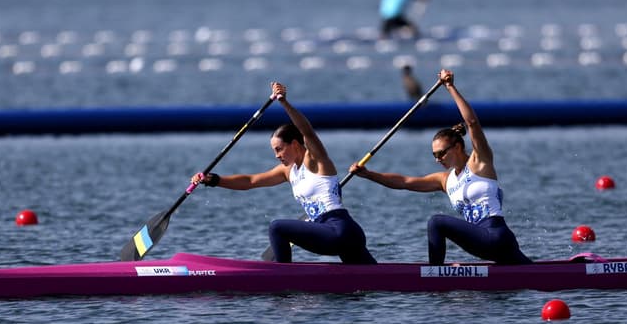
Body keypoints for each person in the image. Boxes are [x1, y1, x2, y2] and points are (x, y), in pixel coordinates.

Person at [349, 69, 531, 266]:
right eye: (434, 155)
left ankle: (434, 274)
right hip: (488, 242)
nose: (438, 159)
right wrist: (368, 174)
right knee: (534, 274)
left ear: (458, 147)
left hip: (496, 235)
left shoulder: (480, 161)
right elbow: (404, 182)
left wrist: (450, 87)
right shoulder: (445, 180)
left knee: (437, 222)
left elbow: (472, 123)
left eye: (441, 153)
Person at [191, 82, 377, 265]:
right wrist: (214, 180)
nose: (276, 155)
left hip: (338, 229)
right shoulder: (288, 171)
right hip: (342, 234)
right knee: (373, 278)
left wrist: (284, 103)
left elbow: (307, 132)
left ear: (295, 144)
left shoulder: (315, 160)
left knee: (277, 228)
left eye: (279, 149)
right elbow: (250, 181)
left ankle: (282, 277)